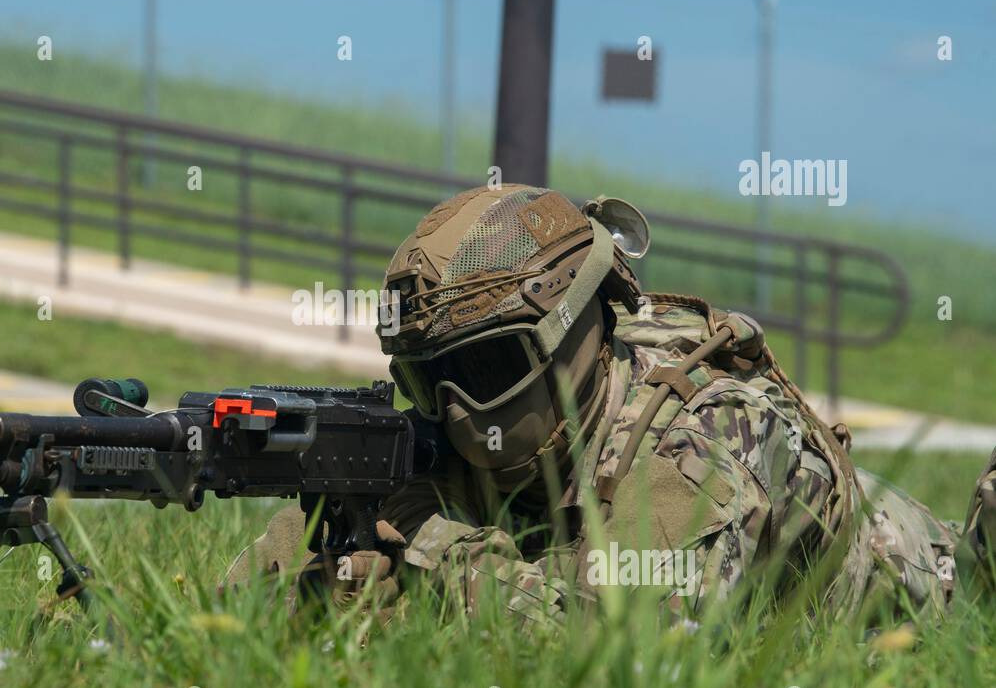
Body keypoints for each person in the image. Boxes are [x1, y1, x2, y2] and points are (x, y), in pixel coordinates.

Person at [223, 184, 984, 626]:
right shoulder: (477, 434)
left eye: (487, 367)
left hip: (937, 601)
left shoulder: (699, 447)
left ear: (573, 337)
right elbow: (239, 601)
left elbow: (612, 660)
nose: (454, 411)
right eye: (427, 381)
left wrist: (431, 551)